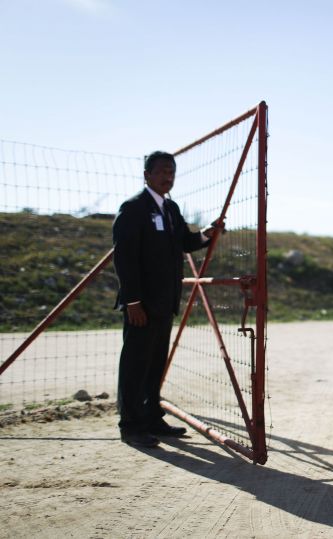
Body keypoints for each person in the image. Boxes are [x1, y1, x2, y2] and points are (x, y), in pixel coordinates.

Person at [112, 151, 224, 448]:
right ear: (147, 174)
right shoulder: (134, 208)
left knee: (154, 363)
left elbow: (185, 243)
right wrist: (132, 301)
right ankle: (131, 426)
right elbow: (124, 257)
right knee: (136, 364)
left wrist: (207, 234)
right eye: (161, 171)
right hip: (142, 304)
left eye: (171, 171)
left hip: (165, 302)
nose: (168, 176)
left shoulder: (171, 209)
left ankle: (151, 418)